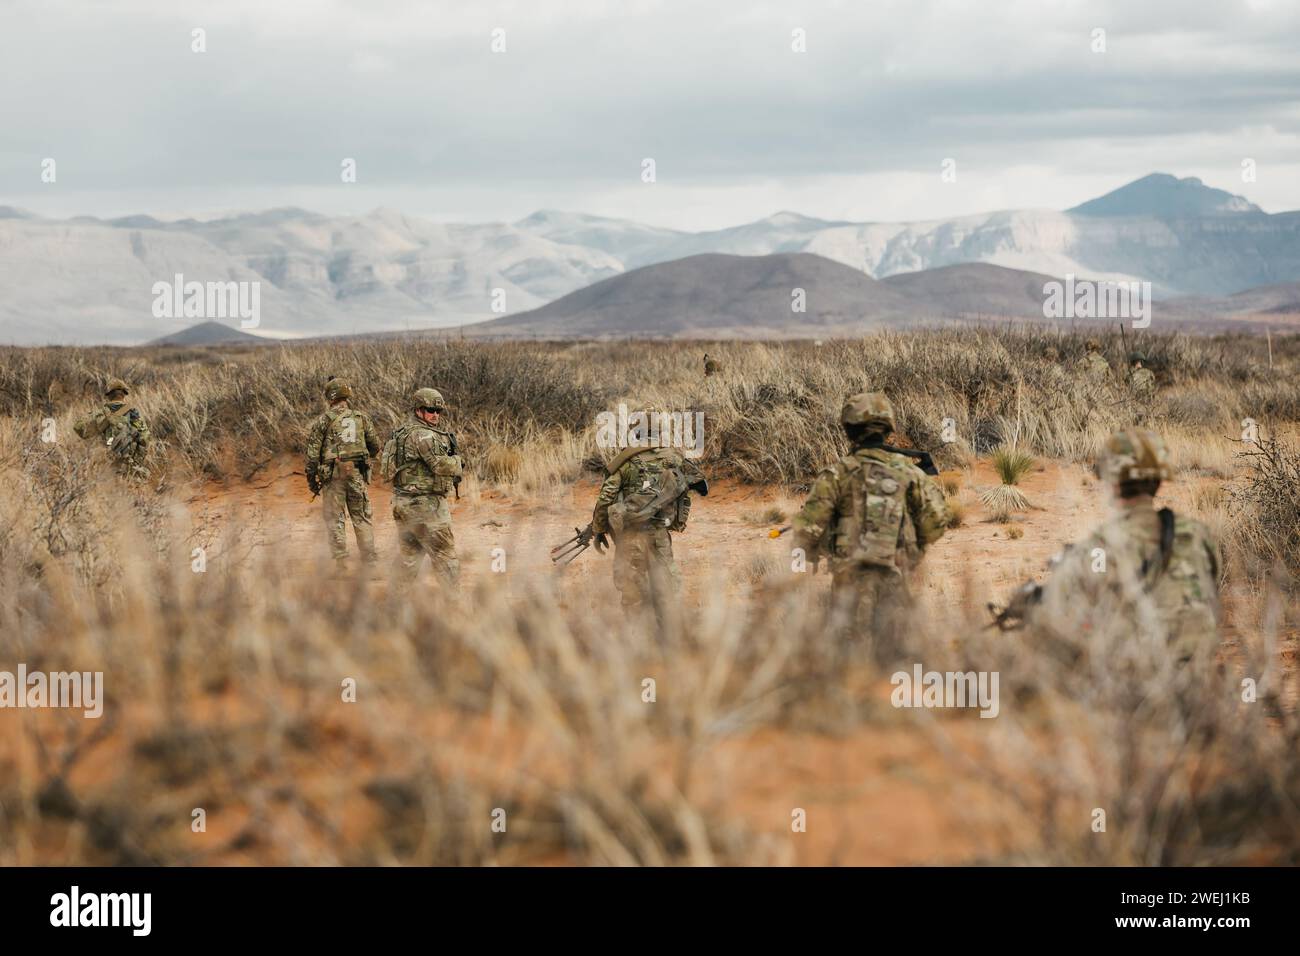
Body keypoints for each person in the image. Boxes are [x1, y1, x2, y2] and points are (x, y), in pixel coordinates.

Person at [994, 428, 1220, 664]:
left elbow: (1058, 617)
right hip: (1197, 683)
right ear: (1159, 481)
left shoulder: (1098, 548)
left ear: (1113, 484)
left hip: (1133, 686)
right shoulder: (1197, 536)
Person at [791, 392, 949, 661]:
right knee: (895, 654)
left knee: (846, 657)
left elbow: (807, 530)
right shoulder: (910, 472)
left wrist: (814, 550)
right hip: (896, 576)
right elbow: (936, 522)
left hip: (849, 579)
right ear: (888, 428)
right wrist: (913, 549)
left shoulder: (838, 473)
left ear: (849, 429)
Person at [591, 444, 708, 629]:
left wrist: (599, 529)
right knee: (666, 588)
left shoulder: (625, 461)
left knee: (633, 591)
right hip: (660, 533)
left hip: (630, 535)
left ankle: (638, 642)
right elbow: (697, 485)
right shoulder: (674, 458)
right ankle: (669, 639)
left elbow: (606, 498)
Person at [383, 387, 462, 585]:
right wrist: (458, 461)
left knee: (409, 559)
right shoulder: (424, 436)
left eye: (438, 411)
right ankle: (456, 609)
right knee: (446, 558)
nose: (435, 415)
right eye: (430, 410)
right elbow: (441, 465)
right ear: (418, 410)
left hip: (403, 504)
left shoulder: (402, 432)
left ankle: (394, 607)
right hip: (426, 507)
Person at [305, 378, 380, 565]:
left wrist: (312, 480)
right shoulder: (361, 418)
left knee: (334, 518)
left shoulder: (324, 420)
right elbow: (375, 446)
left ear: (330, 398)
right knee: (361, 518)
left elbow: (312, 455)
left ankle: (341, 564)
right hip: (356, 474)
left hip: (333, 476)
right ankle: (370, 563)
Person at [73, 377, 152, 479]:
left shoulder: (100, 413)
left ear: (108, 395)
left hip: (107, 464)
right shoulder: (133, 413)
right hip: (130, 464)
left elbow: (79, 428)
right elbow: (145, 437)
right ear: (124, 394)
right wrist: (138, 459)